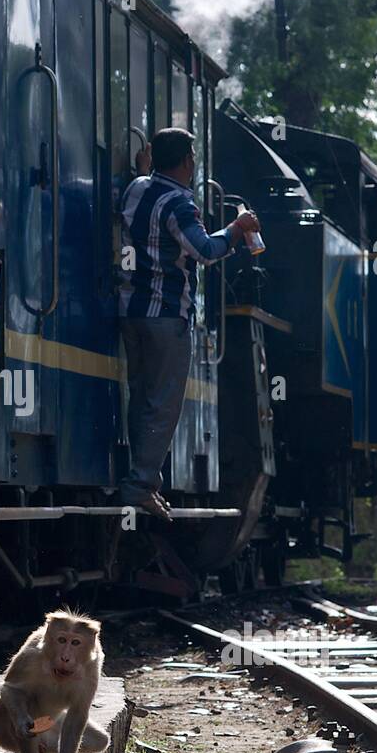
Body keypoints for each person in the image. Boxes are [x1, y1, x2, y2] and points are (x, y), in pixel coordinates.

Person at [117, 127, 261, 520]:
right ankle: (139, 486)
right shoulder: (180, 204)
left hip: (131, 312)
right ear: (185, 162)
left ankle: (138, 479)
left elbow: (143, 182)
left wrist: (145, 169)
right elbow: (206, 250)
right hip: (166, 316)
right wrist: (237, 229)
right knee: (163, 405)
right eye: (193, 157)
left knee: (141, 398)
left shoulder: (137, 189)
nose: (195, 164)